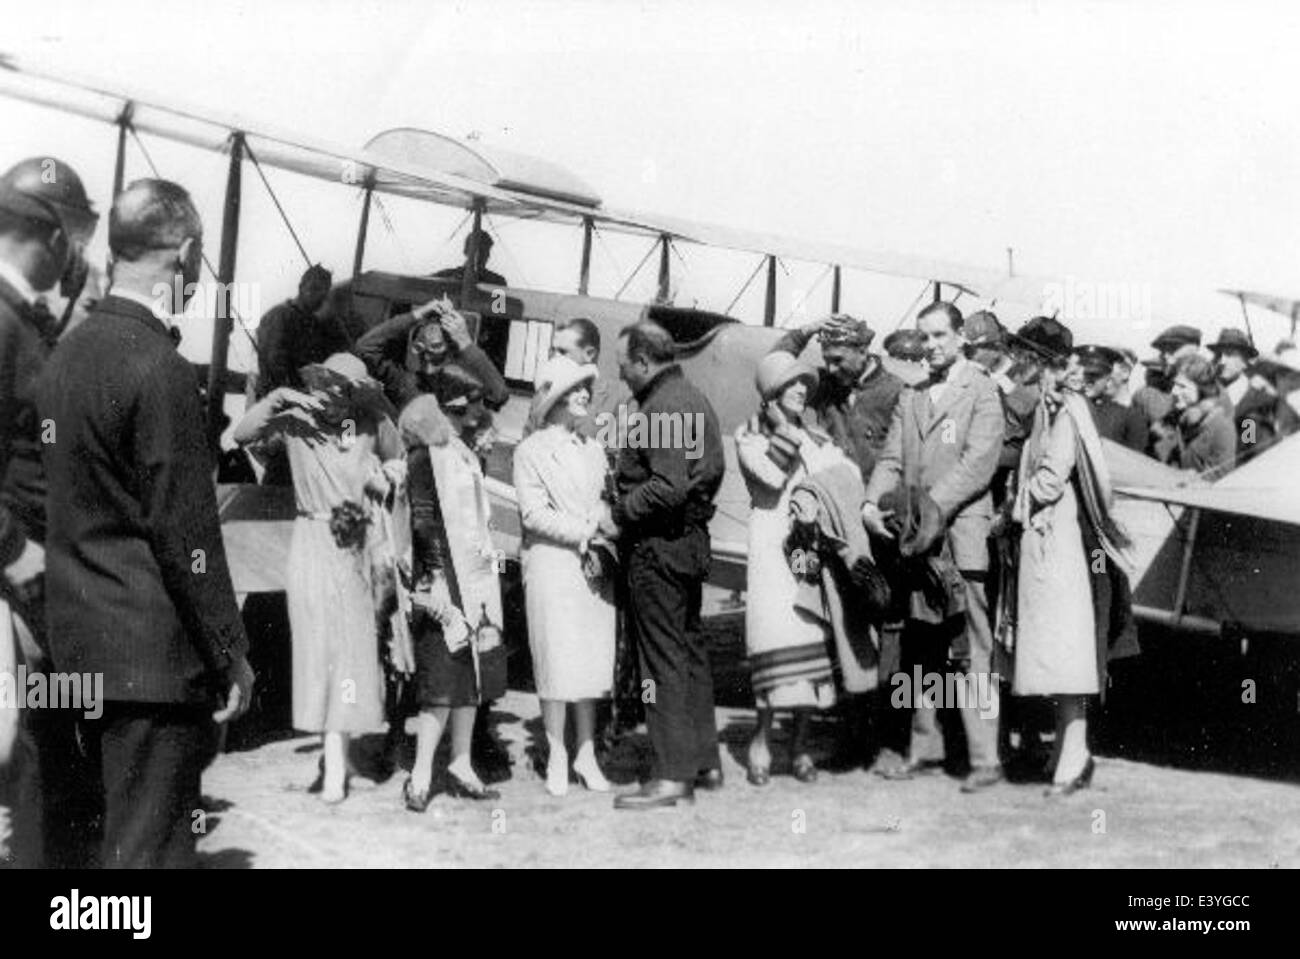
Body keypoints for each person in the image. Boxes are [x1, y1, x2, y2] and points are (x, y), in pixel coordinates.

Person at [38, 179, 255, 868]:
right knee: (147, 858)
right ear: (187, 253)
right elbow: (186, 533)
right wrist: (230, 651)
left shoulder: (62, 355)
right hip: (152, 668)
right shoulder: (160, 367)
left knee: (85, 851)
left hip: (72, 651)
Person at [234, 352, 402, 802]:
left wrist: (384, 476)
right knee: (318, 647)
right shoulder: (295, 423)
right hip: (311, 539)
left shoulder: (370, 423)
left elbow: (402, 460)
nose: (332, 394)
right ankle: (333, 756)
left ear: (355, 393)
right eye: (326, 383)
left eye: (343, 388)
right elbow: (241, 434)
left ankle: (336, 759)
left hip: (356, 545)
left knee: (351, 650)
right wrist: (278, 397)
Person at [862, 301, 1005, 793]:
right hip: (916, 543)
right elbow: (891, 458)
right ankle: (925, 749)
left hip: (960, 539)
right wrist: (869, 503)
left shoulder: (983, 390)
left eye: (940, 336)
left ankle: (985, 758)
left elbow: (978, 464)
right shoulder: (913, 395)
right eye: (924, 337)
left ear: (961, 336)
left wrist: (926, 509)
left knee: (971, 649)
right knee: (922, 647)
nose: (931, 346)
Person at [0, 155, 99, 868]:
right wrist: (11, 546)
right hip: (9, 583)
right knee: (12, 767)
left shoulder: (23, 322)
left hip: (27, 587)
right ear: (56, 236)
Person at [607, 320, 725, 810]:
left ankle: (672, 776)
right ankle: (702, 762)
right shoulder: (692, 397)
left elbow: (667, 486)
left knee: (660, 662)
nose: (621, 376)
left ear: (642, 361)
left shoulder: (662, 406)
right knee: (688, 652)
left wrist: (619, 512)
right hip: (688, 543)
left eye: (623, 367)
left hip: (657, 549)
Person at [1011, 350, 1135, 796]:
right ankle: (1068, 747)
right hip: (1058, 542)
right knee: (1063, 648)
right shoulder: (1063, 412)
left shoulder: (1066, 417)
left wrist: (1014, 503)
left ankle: (1075, 751)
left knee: (1066, 649)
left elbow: (1049, 480)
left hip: (1059, 543)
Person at [735, 351, 848, 785]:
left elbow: (838, 473)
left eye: (805, 384)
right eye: (791, 384)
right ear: (772, 393)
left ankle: (800, 746)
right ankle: (761, 739)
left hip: (805, 549)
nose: (802, 390)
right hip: (769, 547)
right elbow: (767, 476)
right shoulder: (750, 434)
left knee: (809, 631)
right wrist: (787, 435)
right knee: (772, 639)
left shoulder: (816, 436)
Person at [513, 355, 616, 796]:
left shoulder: (594, 450)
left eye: (586, 390)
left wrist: (601, 530)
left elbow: (604, 500)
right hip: (553, 565)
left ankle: (586, 753)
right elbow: (533, 514)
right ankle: (556, 752)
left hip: (591, 570)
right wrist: (584, 534)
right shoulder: (529, 451)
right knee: (556, 661)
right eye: (574, 389)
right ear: (553, 397)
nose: (583, 396)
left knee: (591, 664)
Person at [398, 394, 504, 810]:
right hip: (441, 576)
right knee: (442, 678)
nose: (466, 418)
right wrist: (437, 576)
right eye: (456, 411)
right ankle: (421, 773)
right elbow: (423, 521)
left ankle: (462, 763)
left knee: (471, 676)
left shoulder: (461, 455)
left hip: (472, 576)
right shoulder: (425, 456)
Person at [771, 313, 903, 482]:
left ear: (862, 351)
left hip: (873, 501)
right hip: (830, 494)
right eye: (826, 361)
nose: (831, 369)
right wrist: (806, 331)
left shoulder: (897, 392)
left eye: (838, 360)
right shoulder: (824, 384)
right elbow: (774, 369)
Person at [354, 294, 508, 413]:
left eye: (447, 342)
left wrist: (465, 342)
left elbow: (499, 393)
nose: (444, 348)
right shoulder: (402, 382)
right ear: (417, 347)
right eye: (436, 344)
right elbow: (365, 347)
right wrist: (418, 314)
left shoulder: (456, 386)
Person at [254, 264, 350, 398]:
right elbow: (275, 365)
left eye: (323, 293)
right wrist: (300, 392)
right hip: (277, 398)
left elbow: (341, 353)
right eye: (313, 289)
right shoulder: (279, 316)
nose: (317, 297)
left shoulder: (315, 323)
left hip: (303, 396)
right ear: (301, 287)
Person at [1209, 328, 1280, 463]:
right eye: (1218, 355)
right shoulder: (1206, 392)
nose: (1222, 361)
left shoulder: (1251, 418)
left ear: (1245, 361)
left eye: (1229, 355)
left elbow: (1250, 456)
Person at [1163, 354, 1237, 479]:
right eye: (1174, 385)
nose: (1174, 392)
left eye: (1182, 386)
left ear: (1202, 389)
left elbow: (1222, 480)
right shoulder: (1176, 419)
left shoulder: (1222, 428)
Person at [1133, 324, 1201, 455]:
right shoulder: (1147, 395)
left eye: (1171, 350)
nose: (1165, 356)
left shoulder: (1206, 391)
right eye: (1163, 352)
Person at [1075, 346, 1147, 451]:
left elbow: (1134, 460)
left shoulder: (1132, 417)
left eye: (1095, 375)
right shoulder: (1080, 404)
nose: (1087, 381)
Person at [432, 229, 507, 287]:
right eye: (476, 250)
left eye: (484, 251)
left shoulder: (497, 282)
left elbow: (500, 307)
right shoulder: (445, 276)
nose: (479, 255)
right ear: (466, 251)